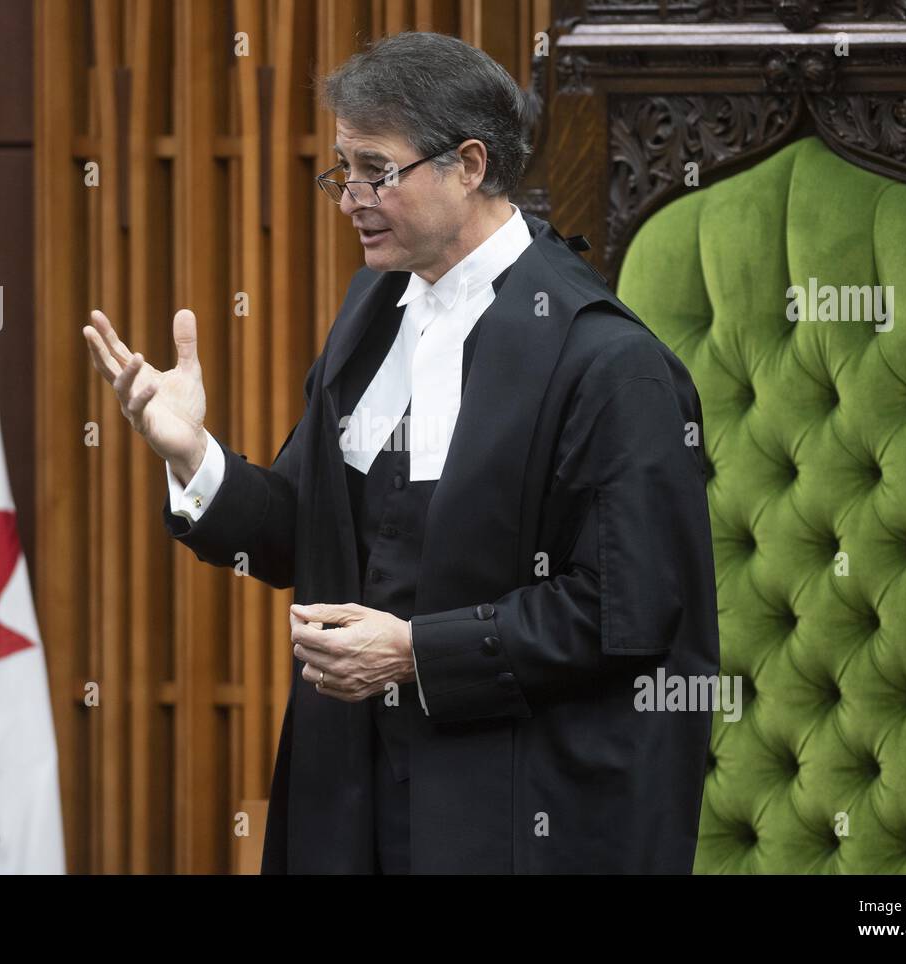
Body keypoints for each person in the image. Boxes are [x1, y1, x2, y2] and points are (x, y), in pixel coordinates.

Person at [83, 31, 720, 874]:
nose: (349, 197)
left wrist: (417, 653)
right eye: (341, 169)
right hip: (353, 788)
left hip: (518, 807)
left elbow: (623, 612)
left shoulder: (609, 363)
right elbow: (302, 536)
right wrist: (194, 456)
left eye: (376, 169)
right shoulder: (376, 307)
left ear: (469, 163)